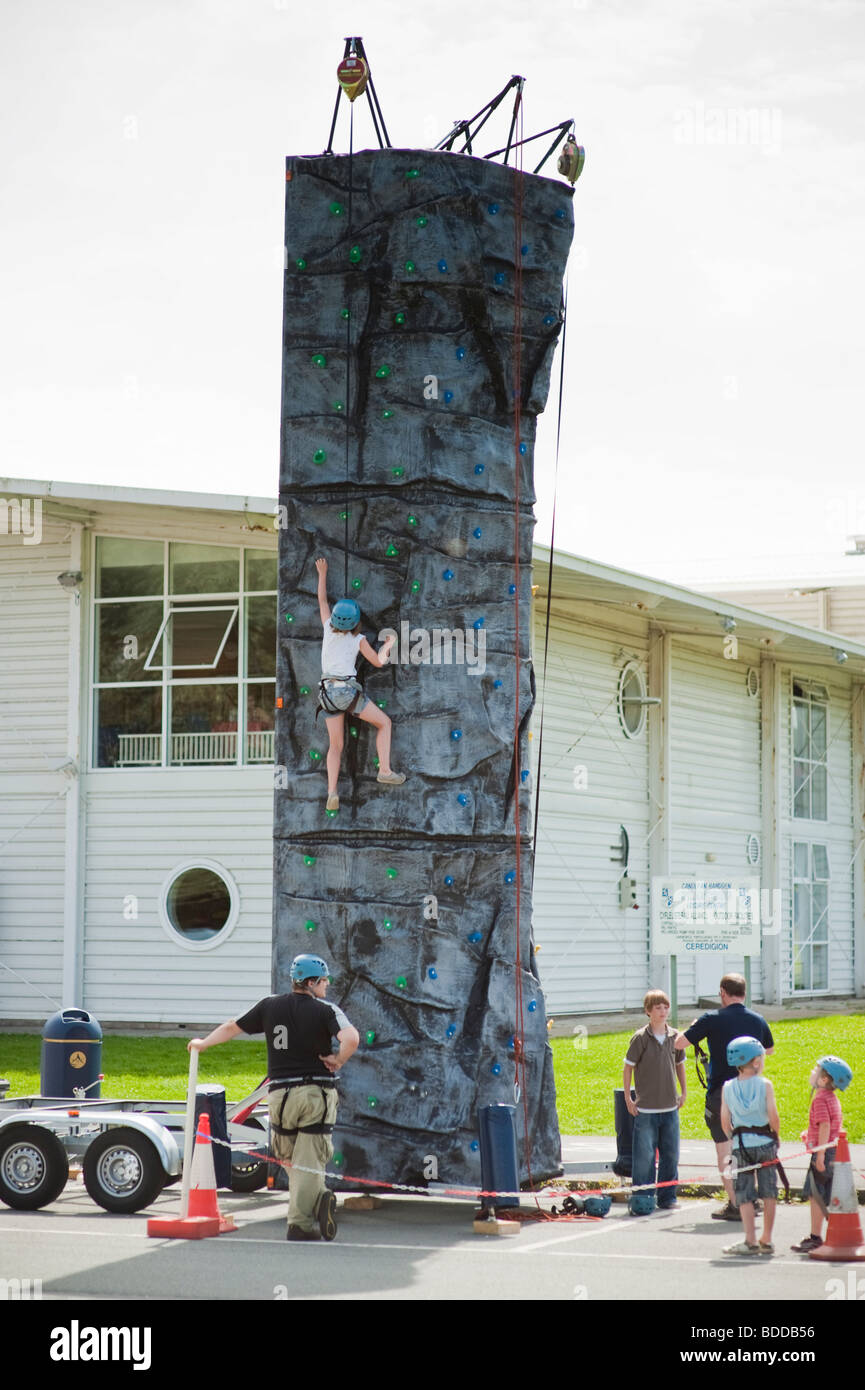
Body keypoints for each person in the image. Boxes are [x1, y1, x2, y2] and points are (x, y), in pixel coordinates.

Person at [187, 952, 359, 1241]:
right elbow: (351, 1038)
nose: (327, 986)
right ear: (313, 982)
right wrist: (338, 1060)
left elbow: (232, 1027)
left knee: (289, 1157)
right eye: (325, 981)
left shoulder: (269, 1006)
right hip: (314, 1093)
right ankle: (302, 1223)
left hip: (278, 1095)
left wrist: (202, 1043)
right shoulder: (326, 1010)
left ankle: (316, 1200)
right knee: (311, 1157)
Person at [673, 973, 774, 1221]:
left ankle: (736, 1203)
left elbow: (679, 1043)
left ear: (722, 992)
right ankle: (753, 1198)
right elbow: (769, 1049)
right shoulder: (757, 1019)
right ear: (744, 993)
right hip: (752, 1091)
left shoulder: (711, 1018)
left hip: (722, 1091)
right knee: (750, 1147)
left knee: (725, 1152)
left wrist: (698, 1026)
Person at [315, 556, 405, 813]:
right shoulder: (358, 640)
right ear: (355, 622)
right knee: (384, 723)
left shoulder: (327, 630)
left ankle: (332, 791)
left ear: (334, 619)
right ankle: (384, 770)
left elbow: (322, 600)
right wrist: (387, 645)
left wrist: (322, 573)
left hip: (327, 694)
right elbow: (377, 662)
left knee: (336, 746)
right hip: (346, 692)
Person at [623, 989, 687, 1215]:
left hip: (670, 1106)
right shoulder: (641, 1038)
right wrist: (628, 1098)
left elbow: (680, 1065)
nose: (662, 1011)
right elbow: (628, 1066)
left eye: (665, 1007)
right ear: (648, 1012)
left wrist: (684, 1091)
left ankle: (667, 1196)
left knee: (671, 1154)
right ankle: (642, 1197)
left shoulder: (674, 1037)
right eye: (657, 1008)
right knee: (645, 1156)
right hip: (646, 1109)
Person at [720, 1038, 780, 1256]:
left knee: (744, 1193)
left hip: (740, 1145)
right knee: (769, 1191)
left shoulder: (728, 1087)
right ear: (755, 1062)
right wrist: (776, 1137)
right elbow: (773, 1116)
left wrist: (732, 1139)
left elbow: (725, 1121)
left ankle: (750, 1239)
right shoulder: (765, 1085)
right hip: (765, 1143)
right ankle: (767, 1238)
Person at [791, 1054, 852, 1254]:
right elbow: (832, 1125)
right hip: (833, 1151)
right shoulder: (832, 1098)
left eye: (815, 1070)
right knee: (829, 1194)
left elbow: (825, 1126)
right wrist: (810, 1136)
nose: (812, 1072)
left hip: (823, 1152)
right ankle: (839, 1234)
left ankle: (815, 1237)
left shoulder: (819, 1099)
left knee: (815, 1194)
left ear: (824, 1080)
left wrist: (819, 1154)